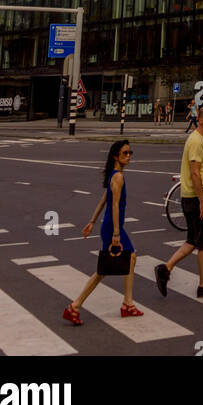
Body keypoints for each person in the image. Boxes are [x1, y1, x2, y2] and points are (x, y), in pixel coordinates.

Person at [62, 139, 143, 324]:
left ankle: (127, 304)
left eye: (130, 153)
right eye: (125, 153)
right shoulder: (118, 177)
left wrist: (92, 221)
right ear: (116, 156)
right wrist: (116, 234)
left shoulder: (115, 175)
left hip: (111, 226)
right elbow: (114, 205)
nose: (129, 156)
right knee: (104, 269)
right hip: (112, 228)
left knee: (128, 257)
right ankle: (75, 306)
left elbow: (104, 199)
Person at [154, 105, 203, 300]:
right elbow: (194, 172)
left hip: (196, 196)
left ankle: (166, 269)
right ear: (200, 119)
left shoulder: (202, 139)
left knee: (196, 240)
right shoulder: (196, 141)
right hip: (196, 198)